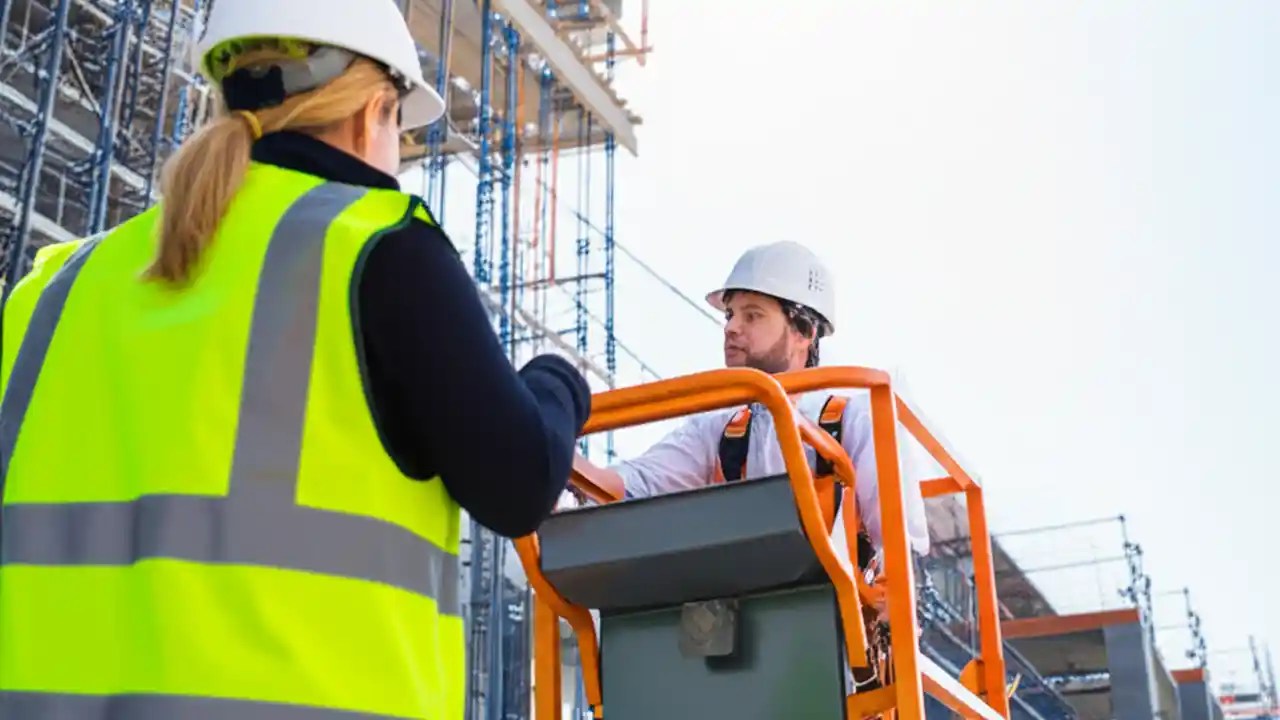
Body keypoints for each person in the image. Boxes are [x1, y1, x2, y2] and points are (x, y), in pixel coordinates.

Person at [0, 1, 589, 718]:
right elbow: (519, 480)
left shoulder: (53, 289)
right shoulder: (376, 247)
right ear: (374, 111)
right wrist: (558, 381)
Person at [577, 240, 930, 565]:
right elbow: (639, 482)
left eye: (752, 315)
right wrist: (568, 467)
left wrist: (888, 611)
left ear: (803, 332)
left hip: (836, 618)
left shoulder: (855, 418)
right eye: (730, 314)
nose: (731, 327)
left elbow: (900, 552)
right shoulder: (721, 429)